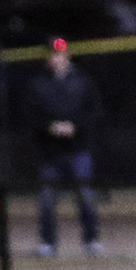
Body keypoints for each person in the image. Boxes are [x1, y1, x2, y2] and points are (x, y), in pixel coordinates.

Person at [24, 38, 104, 257]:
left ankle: (91, 239)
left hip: (78, 148)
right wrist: (51, 127)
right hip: (50, 151)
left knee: (85, 195)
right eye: (53, 54)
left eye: (60, 54)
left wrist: (74, 126)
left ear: (67, 56)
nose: (56, 58)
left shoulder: (82, 81)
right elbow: (32, 116)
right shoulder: (38, 84)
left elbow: (93, 112)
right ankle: (48, 242)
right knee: (47, 198)